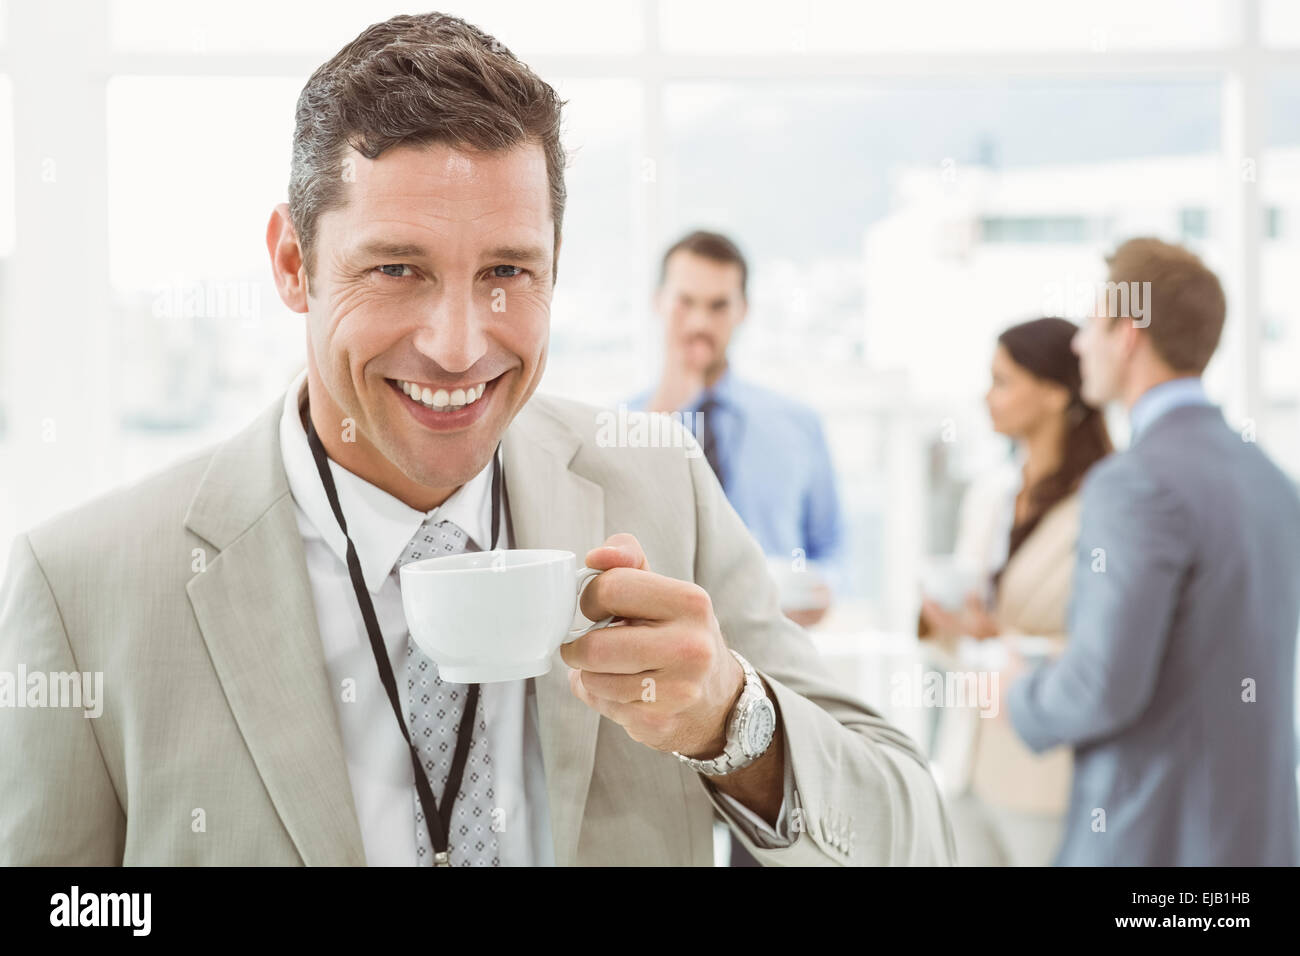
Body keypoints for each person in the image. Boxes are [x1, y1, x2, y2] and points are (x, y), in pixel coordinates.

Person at [0, 12, 954, 867]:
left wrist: (730, 722)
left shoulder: (660, 490)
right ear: (296, 264)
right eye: (398, 269)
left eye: (507, 270)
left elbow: (914, 837)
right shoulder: (84, 589)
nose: (458, 346)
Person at [1005, 237, 1300, 865]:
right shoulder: (1272, 481)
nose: (1081, 343)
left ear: (1128, 333)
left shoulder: (1132, 482)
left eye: (1092, 323)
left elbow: (1102, 687)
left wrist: (1017, 692)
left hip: (1151, 852)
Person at [920, 317, 1112, 866]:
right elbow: (968, 636)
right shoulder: (991, 494)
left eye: (1003, 381)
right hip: (967, 766)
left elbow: (1111, 646)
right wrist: (947, 623)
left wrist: (1003, 638)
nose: (987, 396)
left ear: (1054, 393)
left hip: (1045, 777)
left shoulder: (1104, 502)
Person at [627, 230, 846, 629]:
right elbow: (612, 532)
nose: (699, 322)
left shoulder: (797, 425)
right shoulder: (618, 428)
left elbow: (829, 547)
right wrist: (665, 406)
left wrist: (822, 588)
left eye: (718, 306)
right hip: (659, 654)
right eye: (685, 302)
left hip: (773, 650)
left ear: (743, 310)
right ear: (657, 302)